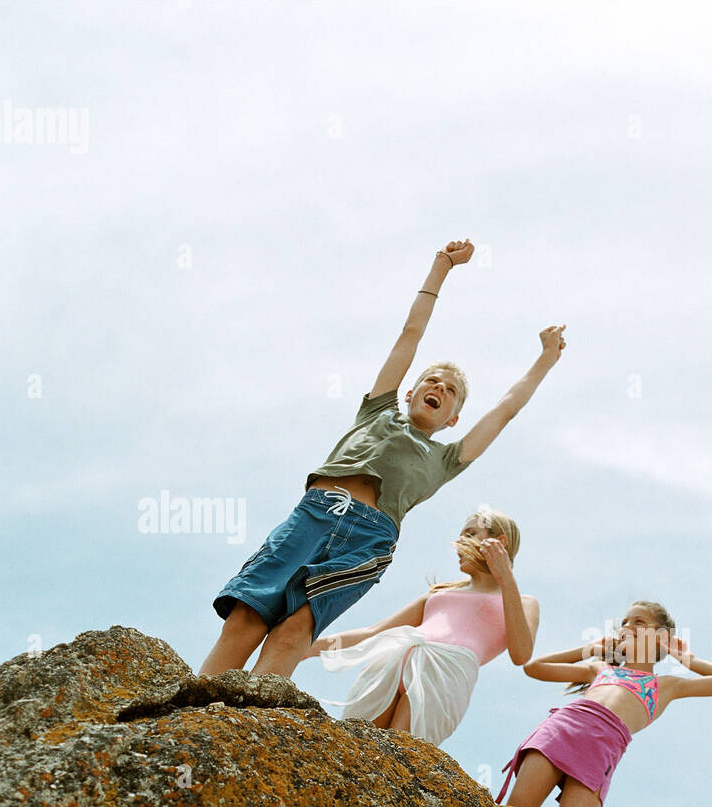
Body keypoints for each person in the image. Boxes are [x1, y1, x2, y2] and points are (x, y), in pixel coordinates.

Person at [199, 236, 566, 677]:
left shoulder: (447, 458)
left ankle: (243, 721)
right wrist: (442, 267)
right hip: (316, 513)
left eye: (451, 392)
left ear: (453, 419)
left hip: (368, 540)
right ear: (411, 392)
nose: (439, 390)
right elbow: (409, 335)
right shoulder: (378, 408)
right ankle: (192, 710)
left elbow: (506, 409)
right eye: (432, 381)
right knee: (248, 617)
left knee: (295, 632)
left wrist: (545, 359)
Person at [496, 601, 712, 807]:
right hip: (562, 731)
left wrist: (687, 659)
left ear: (661, 637)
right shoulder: (601, 669)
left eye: (639, 622)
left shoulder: (666, 685)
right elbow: (534, 667)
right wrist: (589, 649)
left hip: (601, 751)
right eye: (625, 622)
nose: (627, 626)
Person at [302, 506, 538, 745]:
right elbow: (373, 632)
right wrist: (308, 646)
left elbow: (521, 654)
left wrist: (506, 578)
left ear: (500, 541)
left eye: (470, 533)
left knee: (399, 758)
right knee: (356, 747)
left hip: (445, 673)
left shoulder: (522, 602)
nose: (459, 541)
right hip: (392, 663)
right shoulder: (440, 593)